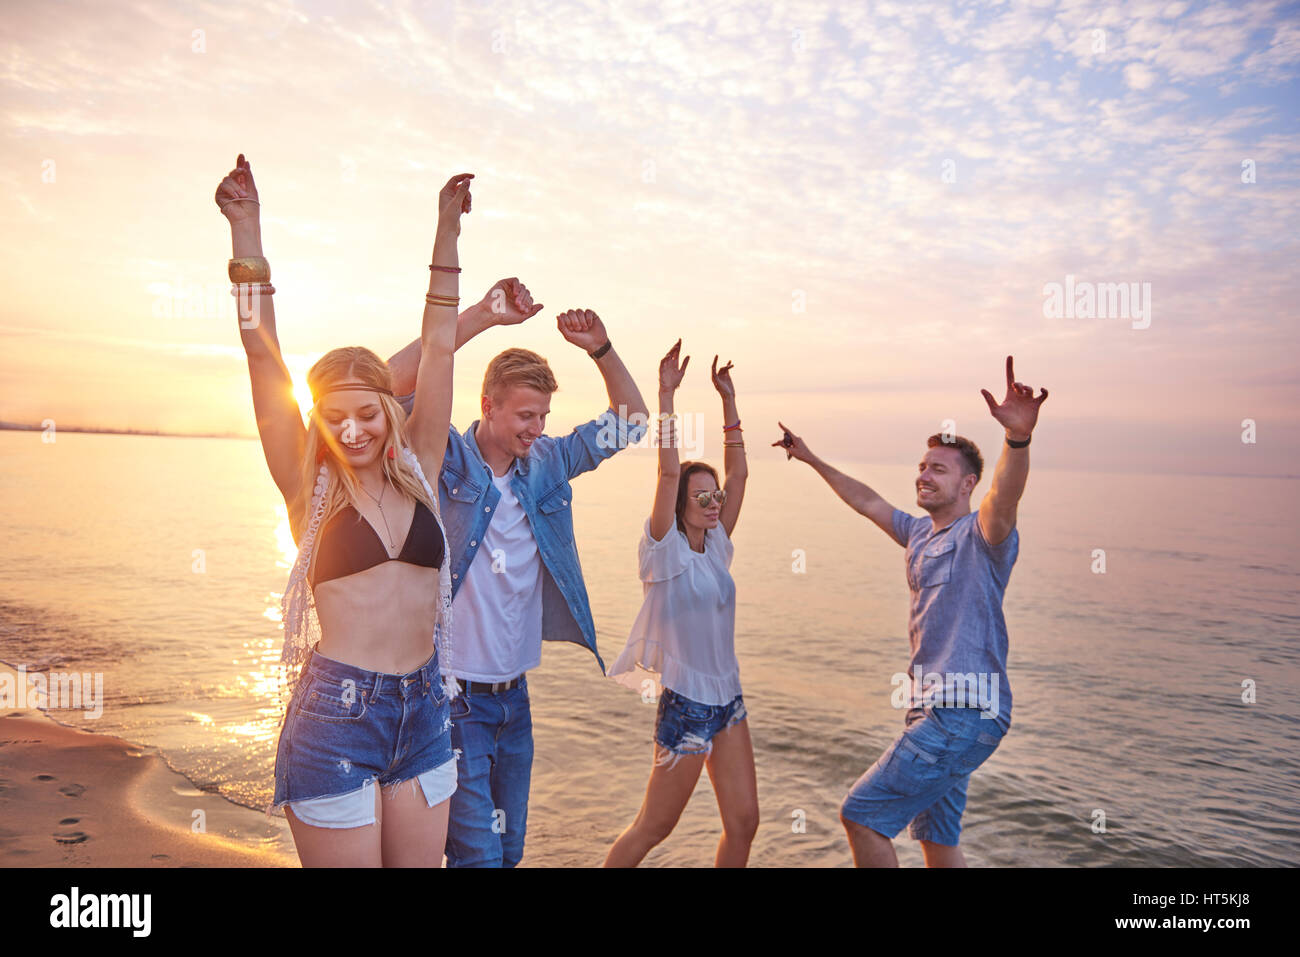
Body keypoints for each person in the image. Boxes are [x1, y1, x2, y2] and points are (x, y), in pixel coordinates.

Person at [217, 153, 479, 867]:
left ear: (390, 412)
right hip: (338, 719)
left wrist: (446, 232)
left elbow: (438, 345)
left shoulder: (421, 463)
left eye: (368, 413)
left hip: (425, 711)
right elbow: (260, 352)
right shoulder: (309, 490)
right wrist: (248, 229)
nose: (354, 430)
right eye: (336, 420)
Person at [390, 311, 649, 867]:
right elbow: (388, 388)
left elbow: (631, 421)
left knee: (506, 856)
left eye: (544, 415)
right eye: (525, 415)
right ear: (488, 405)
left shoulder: (548, 464)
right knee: (477, 859)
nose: (537, 427)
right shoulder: (443, 460)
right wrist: (479, 320)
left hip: (514, 699)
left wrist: (601, 348)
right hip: (454, 700)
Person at [776, 356, 1047, 867]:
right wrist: (811, 458)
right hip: (934, 713)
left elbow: (1005, 497)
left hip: (962, 712)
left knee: (863, 815)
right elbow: (866, 501)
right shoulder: (920, 532)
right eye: (922, 467)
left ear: (967, 486)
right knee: (938, 839)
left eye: (938, 470)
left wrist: (1017, 440)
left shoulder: (983, 534)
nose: (924, 475)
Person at [603, 340, 758, 867]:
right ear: (679, 505)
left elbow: (739, 477)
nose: (714, 503)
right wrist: (666, 394)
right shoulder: (662, 551)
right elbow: (668, 473)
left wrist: (728, 403)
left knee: (744, 822)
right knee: (654, 828)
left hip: (728, 700)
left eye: (714, 496)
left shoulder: (716, 545)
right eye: (702, 497)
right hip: (687, 704)